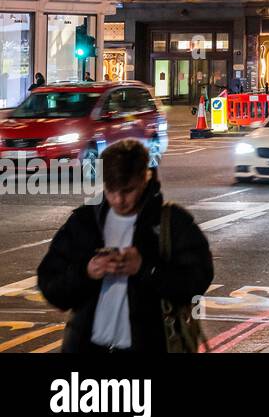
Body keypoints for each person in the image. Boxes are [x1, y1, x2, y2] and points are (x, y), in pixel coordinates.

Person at [37, 139, 213, 352]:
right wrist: (87, 271)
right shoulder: (84, 221)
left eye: (128, 190)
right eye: (111, 190)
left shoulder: (173, 222)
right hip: (87, 348)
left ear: (144, 178)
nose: (119, 199)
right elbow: (50, 284)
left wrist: (146, 269)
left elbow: (196, 282)